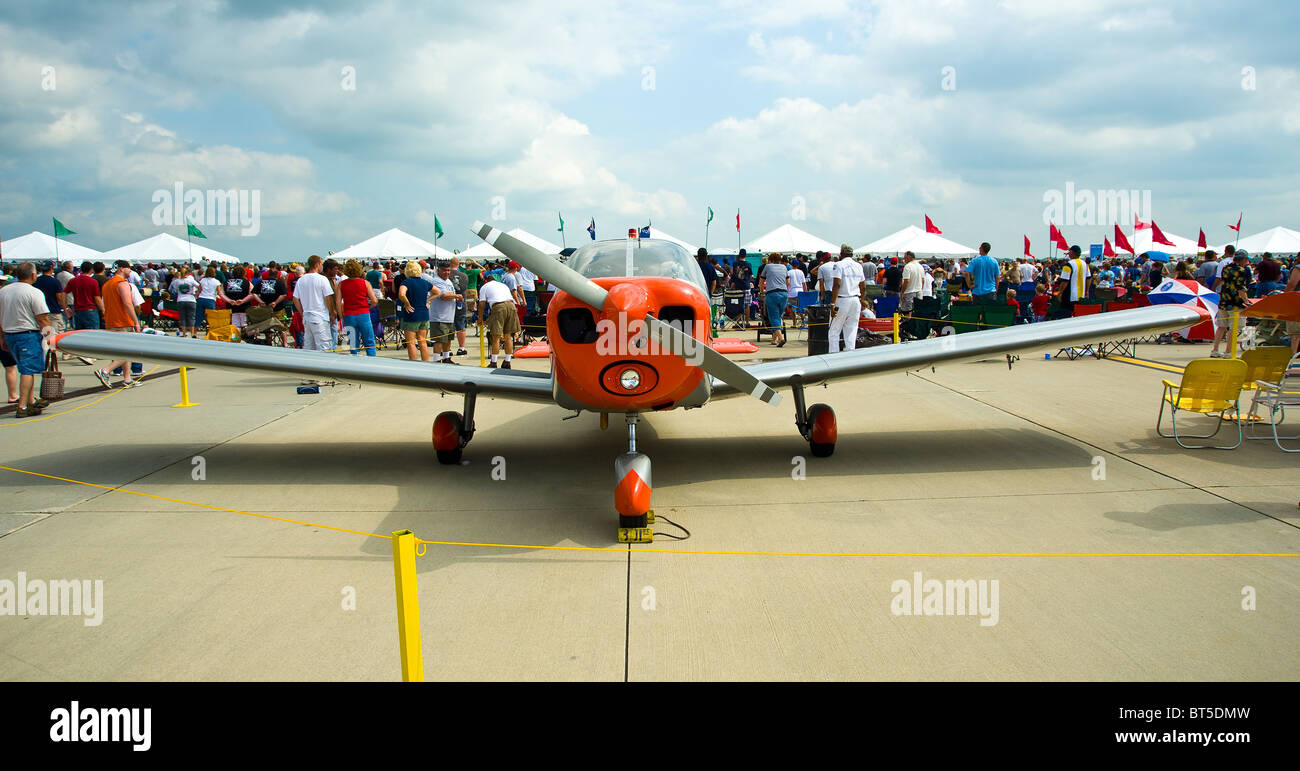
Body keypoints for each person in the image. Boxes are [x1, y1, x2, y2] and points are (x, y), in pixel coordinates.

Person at [0, 263, 54, 416]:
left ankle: (30, 400)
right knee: (28, 370)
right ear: (33, 275)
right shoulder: (33, 292)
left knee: (23, 368)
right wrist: (51, 338)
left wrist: (2, 337)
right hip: (27, 334)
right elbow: (43, 318)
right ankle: (23, 406)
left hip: (10, 334)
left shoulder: (4, 291)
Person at [93, 261, 143, 389]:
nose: (130, 271)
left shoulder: (107, 284)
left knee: (122, 350)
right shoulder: (122, 284)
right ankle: (105, 371)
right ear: (121, 269)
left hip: (111, 321)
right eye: (128, 268)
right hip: (123, 321)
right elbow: (127, 303)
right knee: (130, 350)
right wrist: (136, 321)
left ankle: (127, 378)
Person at [1210, 250, 1251, 358]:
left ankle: (1215, 350)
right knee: (1234, 328)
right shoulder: (1241, 270)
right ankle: (1228, 351)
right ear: (1243, 260)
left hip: (1223, 301)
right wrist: (1246, 301)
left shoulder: (1226, 268)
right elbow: (1240, 288)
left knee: (1221, 327)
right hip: (1236, 303)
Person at [294, 255, 338, 354]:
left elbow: (295, 299)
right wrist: (332, 313)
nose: (322, 266)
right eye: (321, 264)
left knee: (309, 347)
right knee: (324, 347)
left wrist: (302, 312)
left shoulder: (301, 280)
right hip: (320, 317)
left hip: (307, 317)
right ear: (317, 264)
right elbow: (328, 298)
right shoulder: (322, 279)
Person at [828, 246, 865, 353]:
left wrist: (832, 304)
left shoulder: (838, 265)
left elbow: (837, 285)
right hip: (855, 299)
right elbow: (863, 286)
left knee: (834, 331)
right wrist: (861, 300)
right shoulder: (858, 266)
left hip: (842, 299)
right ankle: (850, 356)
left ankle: (834, 356)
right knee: (851, 331)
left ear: (841, 254)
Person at [478, 272, 520, 368]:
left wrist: (480, 318)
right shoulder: (503, 285)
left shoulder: (485, 287)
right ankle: (507, 361)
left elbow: (482, 304)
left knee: (495, 337)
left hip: (498, 307)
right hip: (511, 306)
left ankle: (493, 362)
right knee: (508, 336)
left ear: (485, 280)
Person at [338, 259, 378, 356]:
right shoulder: (365, 283)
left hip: (349, 315)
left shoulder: (341, 284)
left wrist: (341, 316)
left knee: (353, 343)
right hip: (363, 314)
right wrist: (368, 308)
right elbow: (374, 300)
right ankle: (372, 363)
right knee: (369, 342)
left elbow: (338, 302)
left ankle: (355, 364)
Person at [397, 261, 433, 362]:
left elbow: (401, 294)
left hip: (411, 315)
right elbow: (437, 292)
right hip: (424, 314)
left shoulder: (406, 282)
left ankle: (414, 363)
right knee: (422, 341)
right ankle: (426, 363)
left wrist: (407, 304)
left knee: (411, 342)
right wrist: (427, 300)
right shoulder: (424, 282)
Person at [759, 252, 789, 347]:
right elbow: (788, 282)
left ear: (770, 260)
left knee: (774, 317)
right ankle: (774, 340)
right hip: (784, 293)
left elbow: (761, 281)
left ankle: (781, 338)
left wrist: (762, 292)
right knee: (778, 317)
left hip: (772, 294)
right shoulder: (784, 267)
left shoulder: (767, 267)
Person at [66, 260, 104, 331]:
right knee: (94, 333)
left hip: (77, 311)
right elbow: (97, 298)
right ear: (91, 270)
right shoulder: (93, 282)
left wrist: (66, 307)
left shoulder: (73, 281)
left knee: (80, 333)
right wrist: (103, 310)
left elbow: (63, 293)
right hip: (90, 310)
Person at [1054, 245, 1090, 319]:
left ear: (1072, 252)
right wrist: (1087, 291)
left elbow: (1065, 281)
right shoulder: (1085, 264)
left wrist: (1060, 292)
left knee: (1065, 316)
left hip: (1069, 296)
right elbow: (1089, 278)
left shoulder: (1068, 265)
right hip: (1081, 296)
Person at [219, 263, 255, 328]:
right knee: (244, 325)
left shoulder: (226, 282)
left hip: (231, 307)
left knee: (235, 326)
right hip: (244, 307)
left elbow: (221, 294)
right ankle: (244, 337)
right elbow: (252, 294)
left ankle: (236, 337)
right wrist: (243, 301)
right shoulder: (247, 282)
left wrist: (229, 301)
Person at [168, 266, 200, 337]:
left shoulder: (177, 281)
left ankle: (184, 333)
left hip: (181, 300)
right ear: (187, 273)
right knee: (191, 317)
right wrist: (196, 294)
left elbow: (174, 290)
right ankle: (192, 333)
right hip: (191, 299)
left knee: (182, 317)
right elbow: (199, 286)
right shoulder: (191, 280)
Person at [449, 256, 470, 356]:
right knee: (461, 325)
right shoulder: (464, 275)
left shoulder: (446, 275)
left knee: (448, 326)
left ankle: (447, 349)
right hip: (460, 302)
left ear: (450, 263)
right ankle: (461, 348)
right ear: (459, 265)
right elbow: (463, 288)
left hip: (448, 302)